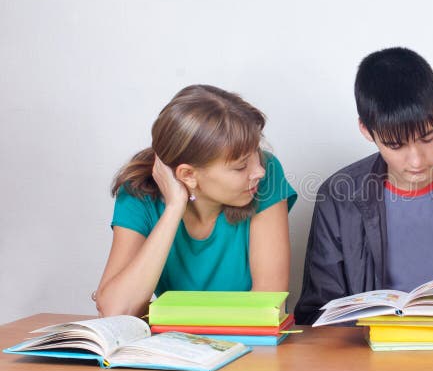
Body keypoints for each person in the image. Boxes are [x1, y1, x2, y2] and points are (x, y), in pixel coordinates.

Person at [294, 47, 433, 324]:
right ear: (366, 130)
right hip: (371, 357)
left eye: (427, 138)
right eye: (395, 145)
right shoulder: (338, 197)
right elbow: (317, 313)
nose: (416, 160)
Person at [94, 85, 297, 317]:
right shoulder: (137, 191)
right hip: (173, 347)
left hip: (251, 345)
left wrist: (164, 311)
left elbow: (268, 305)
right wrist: (174, 207)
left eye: (256, 154)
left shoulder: (266, 175)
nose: (258, 170)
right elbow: (117, 310)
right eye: (241, 166)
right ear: (188, 175)